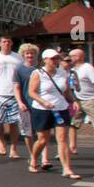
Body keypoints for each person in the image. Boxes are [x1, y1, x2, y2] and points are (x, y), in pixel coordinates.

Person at [27, 48, 78, 179]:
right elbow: (31, 92)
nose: (55, 61)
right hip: (42, 109)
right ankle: (33, 159)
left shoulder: (62, 73)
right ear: (45, 60)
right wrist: (43, 102)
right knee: (43, 139)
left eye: (57, 58)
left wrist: (73, 101)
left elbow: (66, 91)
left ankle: (66, 168)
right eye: (52, 58)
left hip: (60, 108)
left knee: (62, 139)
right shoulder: (38, 73)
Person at [14, 43, 41, 166]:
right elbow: (17, 87)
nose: (30, 55)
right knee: (27, 131)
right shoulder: (19, 69)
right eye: (27, 53)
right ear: (23, 55)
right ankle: (32, 155)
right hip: (25, 104)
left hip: (39, 104)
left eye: (32, 53)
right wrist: (19, 102)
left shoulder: (40, 69)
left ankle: (43, 158)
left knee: (42, 132)